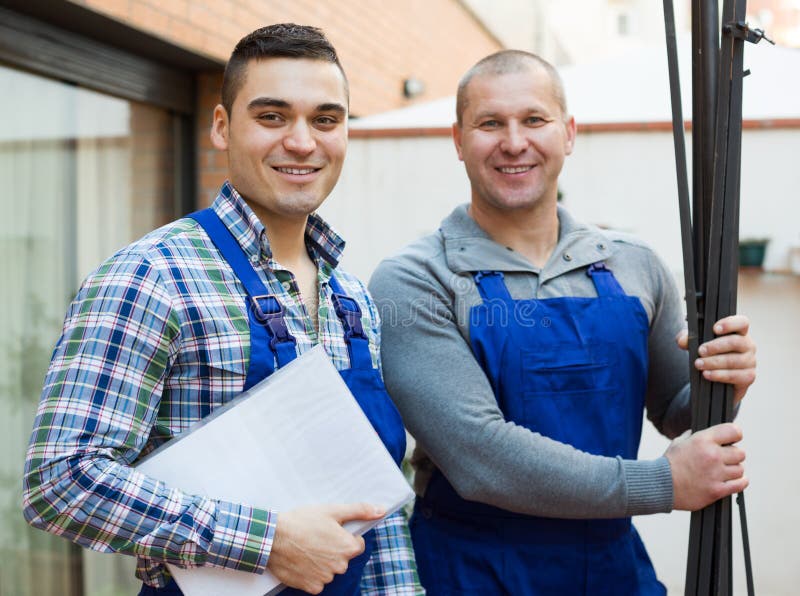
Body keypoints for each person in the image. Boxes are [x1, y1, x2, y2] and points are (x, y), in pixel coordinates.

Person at [23, 24, 422, 596]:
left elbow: (376, 512)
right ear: (220, 126)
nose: (303, 141)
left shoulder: (352, 300)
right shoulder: (151, 276)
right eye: (272, 116)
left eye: (325, 119)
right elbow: (61, 482)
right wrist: (266, 542)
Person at [368, 50, 757, 595]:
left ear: (568, 133)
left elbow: (675, 412)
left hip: (612, 572)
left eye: (534, 120)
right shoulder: (413, 281)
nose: (513, 142)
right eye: (489, 123)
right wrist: (663, 483)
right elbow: (483, 459)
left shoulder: (635, 264)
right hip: (473, 574)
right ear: (458, 140)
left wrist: (725, 381)